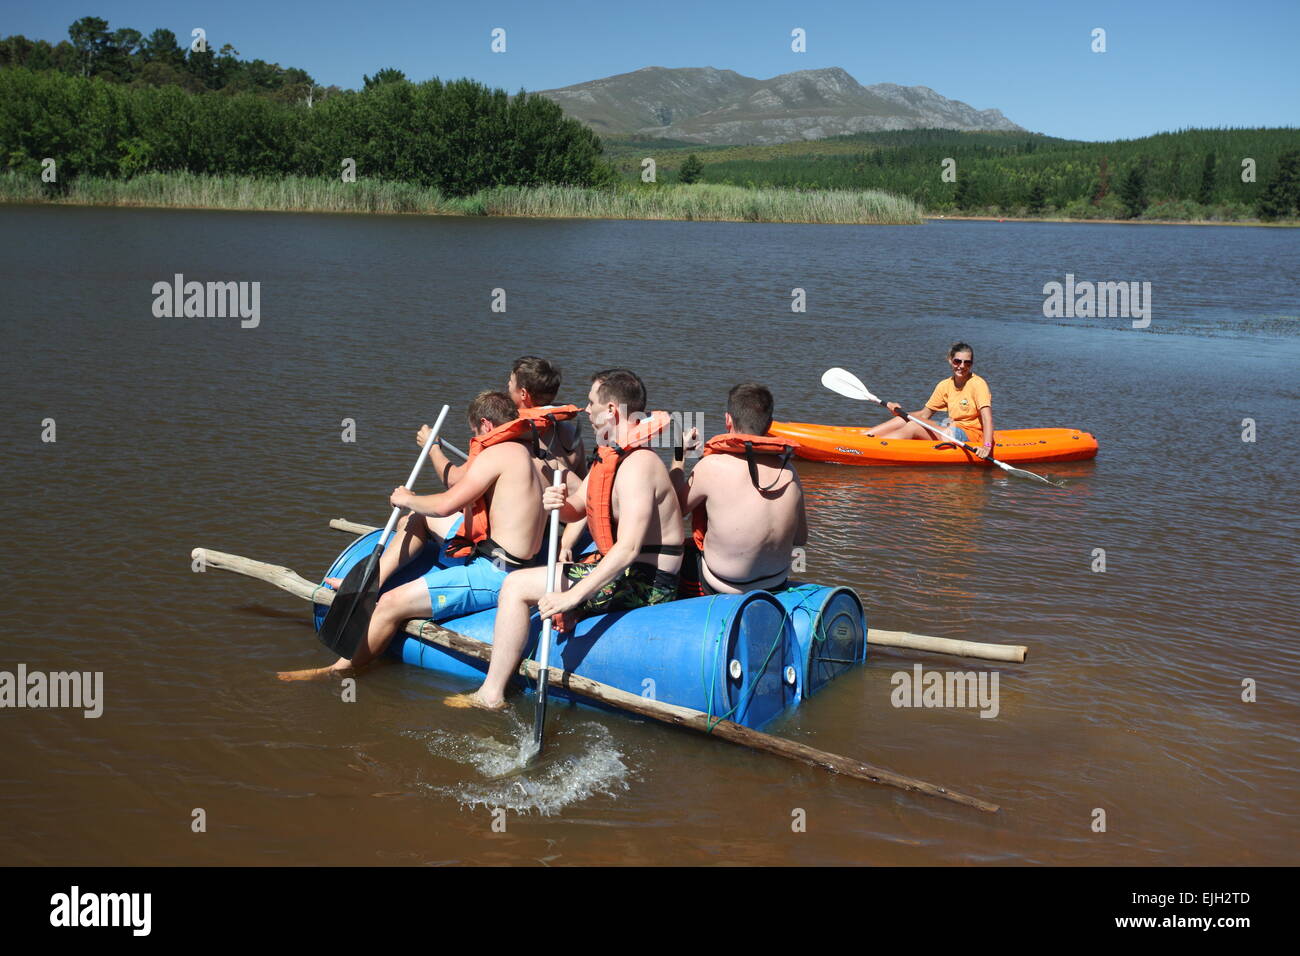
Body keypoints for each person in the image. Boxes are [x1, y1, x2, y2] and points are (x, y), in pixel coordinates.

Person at [446, 368, 684, 711]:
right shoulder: (611, 455)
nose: (586, 411)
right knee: (550, 572)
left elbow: (629, 549)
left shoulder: (639, 465)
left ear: (613, 412)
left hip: (647, 585)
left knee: (514, 586)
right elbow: (577, 509)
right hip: (623, 572)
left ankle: (490, 695)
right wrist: (559, 502)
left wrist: (571, 597)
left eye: (591, 403)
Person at [277, 391, 548, 681]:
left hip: (496, 573)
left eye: (473, 432)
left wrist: (407, 498)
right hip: (499, 554)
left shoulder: (498, 453)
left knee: (392, 603)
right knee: (420, 518)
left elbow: (446, 504)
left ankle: (338, 671)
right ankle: (371, 580)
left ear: (485, 425)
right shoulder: (538, 456)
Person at [671, 383, 807, 595]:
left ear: (728, 420)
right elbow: (800, 539)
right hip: (775, 583)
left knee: (670, 550)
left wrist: (679, 455)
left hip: (721, 584)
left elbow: (673, 511)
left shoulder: (711, 466)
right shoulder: (790, 472)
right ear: (769, 424)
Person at [424, 355, 587, 490]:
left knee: (413, 519)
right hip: (551, 521)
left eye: (511, 381)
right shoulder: (570, 433)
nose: (507, 386)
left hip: (516, 520)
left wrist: (432, 446)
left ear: (523, 393)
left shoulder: (512, 433)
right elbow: (581, 489)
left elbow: (455, 481)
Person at [865, 342, 996, 458]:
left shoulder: (978, 384)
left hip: (970, 435)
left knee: (913, 426)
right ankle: (865, 437)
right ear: (950, 360)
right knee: (905, 418)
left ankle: (871, 449)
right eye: (957, 361)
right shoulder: (945, 385)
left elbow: (987, 418)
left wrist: (987, 446)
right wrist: (899, 411)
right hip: (950, 427)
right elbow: (924, 415)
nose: (962, 366)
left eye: (967, 362)